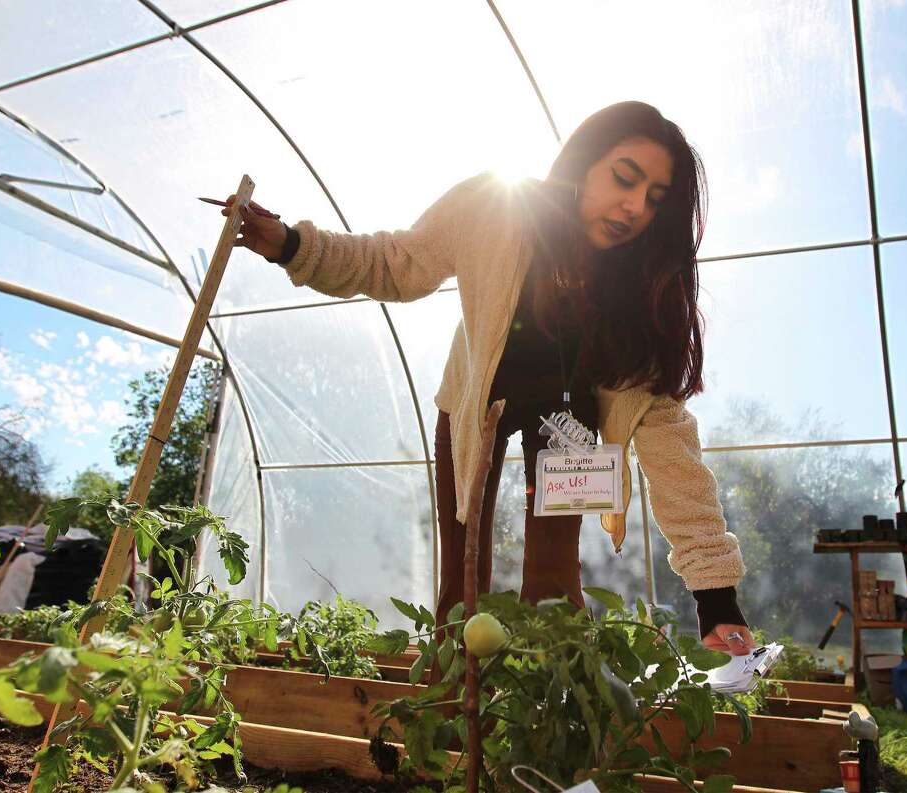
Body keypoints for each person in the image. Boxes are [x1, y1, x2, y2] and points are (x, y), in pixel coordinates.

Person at [222, 101, 754, 655]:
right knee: (462, 585)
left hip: (568, 432)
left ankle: (547, 701)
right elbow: (396, 261)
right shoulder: (497, 207)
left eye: (655, 198)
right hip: (474, 406)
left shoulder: (635, 291)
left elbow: (672, 450)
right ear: (586, 160)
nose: (635, 206)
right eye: (624, 177)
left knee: (554, 594)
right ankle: (457, 697)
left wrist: (716, 596)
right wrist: (292, 245)